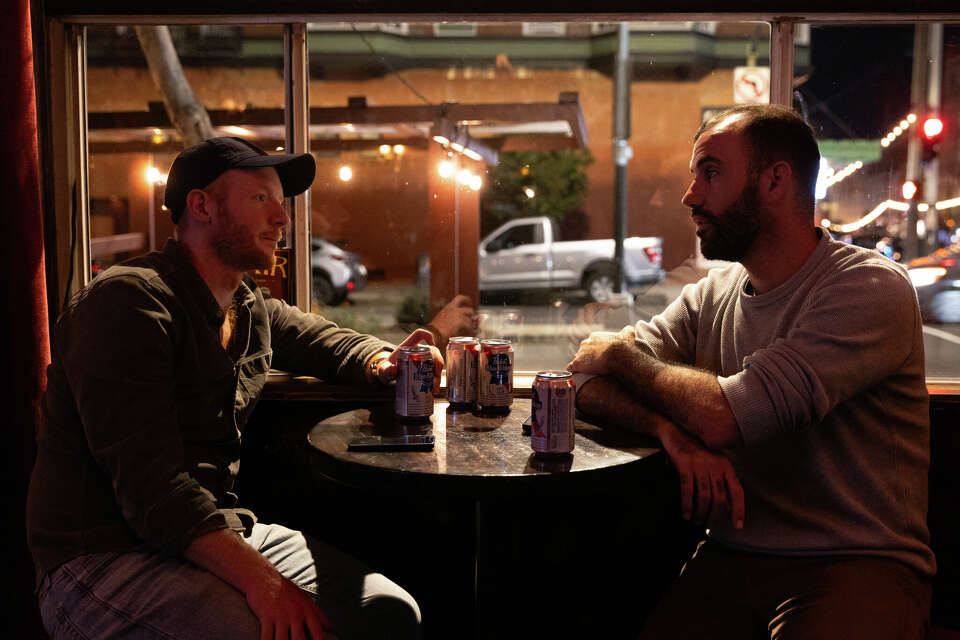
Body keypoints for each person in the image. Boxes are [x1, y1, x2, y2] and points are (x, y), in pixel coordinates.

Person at [26, 137, 452, 640]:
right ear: (202, 206)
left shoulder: (246, 304)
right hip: (103, 556)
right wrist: (265, 584)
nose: (282, 219)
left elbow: (324, 340)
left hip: (216, 530)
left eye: (281, 203)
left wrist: (383, 361)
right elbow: (153, 493)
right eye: (261, 199)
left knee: (387, 612)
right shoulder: (128, 304)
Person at [568, 105, 934, 639]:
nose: (690, 194)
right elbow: (580, 378)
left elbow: (729, 416)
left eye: (710, 171)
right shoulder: (712, 294)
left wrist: (620, 354)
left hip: (861, 561)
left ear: (775, 181)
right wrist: (669, 434)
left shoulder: (869, 288)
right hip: (732, 555)